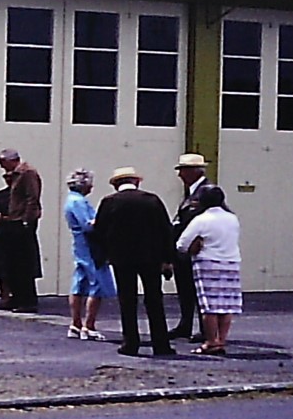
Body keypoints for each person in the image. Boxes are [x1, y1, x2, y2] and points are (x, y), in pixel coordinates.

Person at [90, 166, 177, 357]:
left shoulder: (109, 202)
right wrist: (168, 259)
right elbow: (166, 230)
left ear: (115, 185)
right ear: (136, 182)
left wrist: (102, 255)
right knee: (154, 299)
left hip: (122, 258)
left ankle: (131, 343)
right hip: (151, 257)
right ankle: (161, 344)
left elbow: (99, 232)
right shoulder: (152, 200)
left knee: (127, 300)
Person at [176, 186, 242, 356]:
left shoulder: (201, 219)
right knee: (226, 305)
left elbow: (181, 244)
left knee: (209, 307)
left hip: (208, 263)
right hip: (231, 262)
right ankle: (221, 340)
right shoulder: (232, 218)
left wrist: (195, 246)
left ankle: (211, 342)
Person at [169, 153, 224, 343]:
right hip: (184, 250)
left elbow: (215, 216)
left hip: (197, 251)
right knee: (185, 289)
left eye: (182, 170)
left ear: (194, 171)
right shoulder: (191, 191)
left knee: (199, 290)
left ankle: (204, 329)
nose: (180, 175)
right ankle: (185, 324)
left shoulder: (206, 191)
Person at [63, 168, 115, 341]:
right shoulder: (79, 202)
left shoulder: (71, 200)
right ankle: (89, 325)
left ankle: (75, 324)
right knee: (97, 283)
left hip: (80, 245)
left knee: (79, 282)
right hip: (90, 246)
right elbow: (88, 225)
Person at [0, 148, 43, 312]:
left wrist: (26, 221)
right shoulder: (19, 174)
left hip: (21, 222)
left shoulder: (27, 173)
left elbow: (32, 197)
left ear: (9, 160)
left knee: (23, 263)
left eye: (2, 162)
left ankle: (27, 301)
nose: (1, 166)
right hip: (15, 221)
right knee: (13, 263)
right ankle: (17, 297)